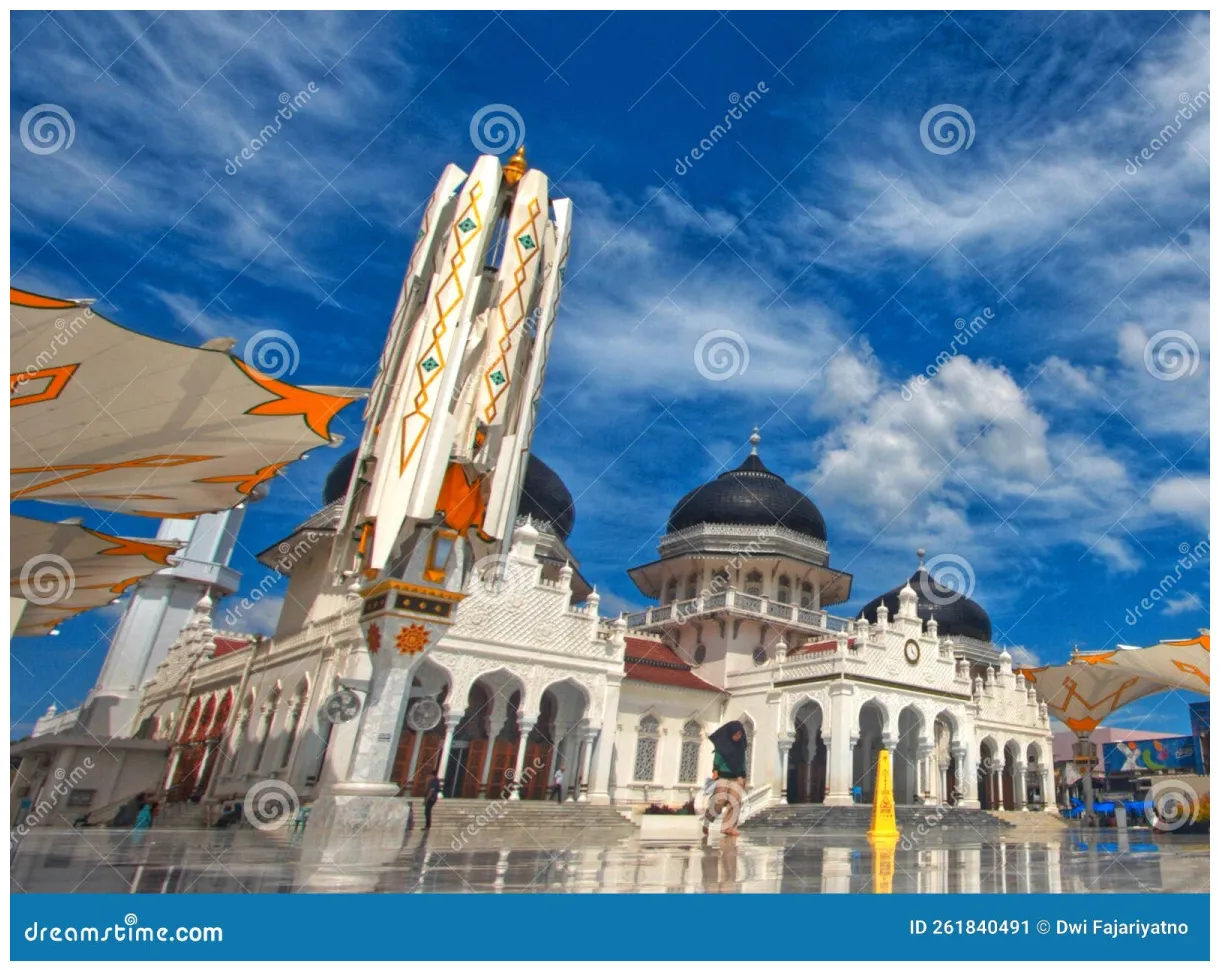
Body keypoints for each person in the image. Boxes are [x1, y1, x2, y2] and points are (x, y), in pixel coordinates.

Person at [703, 720, 748, 838]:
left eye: (740, 734)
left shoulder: (741, 745)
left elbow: (742, 762)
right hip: (723, 776)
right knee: (719, 802)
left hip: (737, 777)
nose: (738, 737)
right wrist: (715, 770)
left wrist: (744, 777)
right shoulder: (723, 745)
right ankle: (708, 819)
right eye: (736, 734)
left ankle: (729, 828)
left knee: (735, 803)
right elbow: (717, 758)